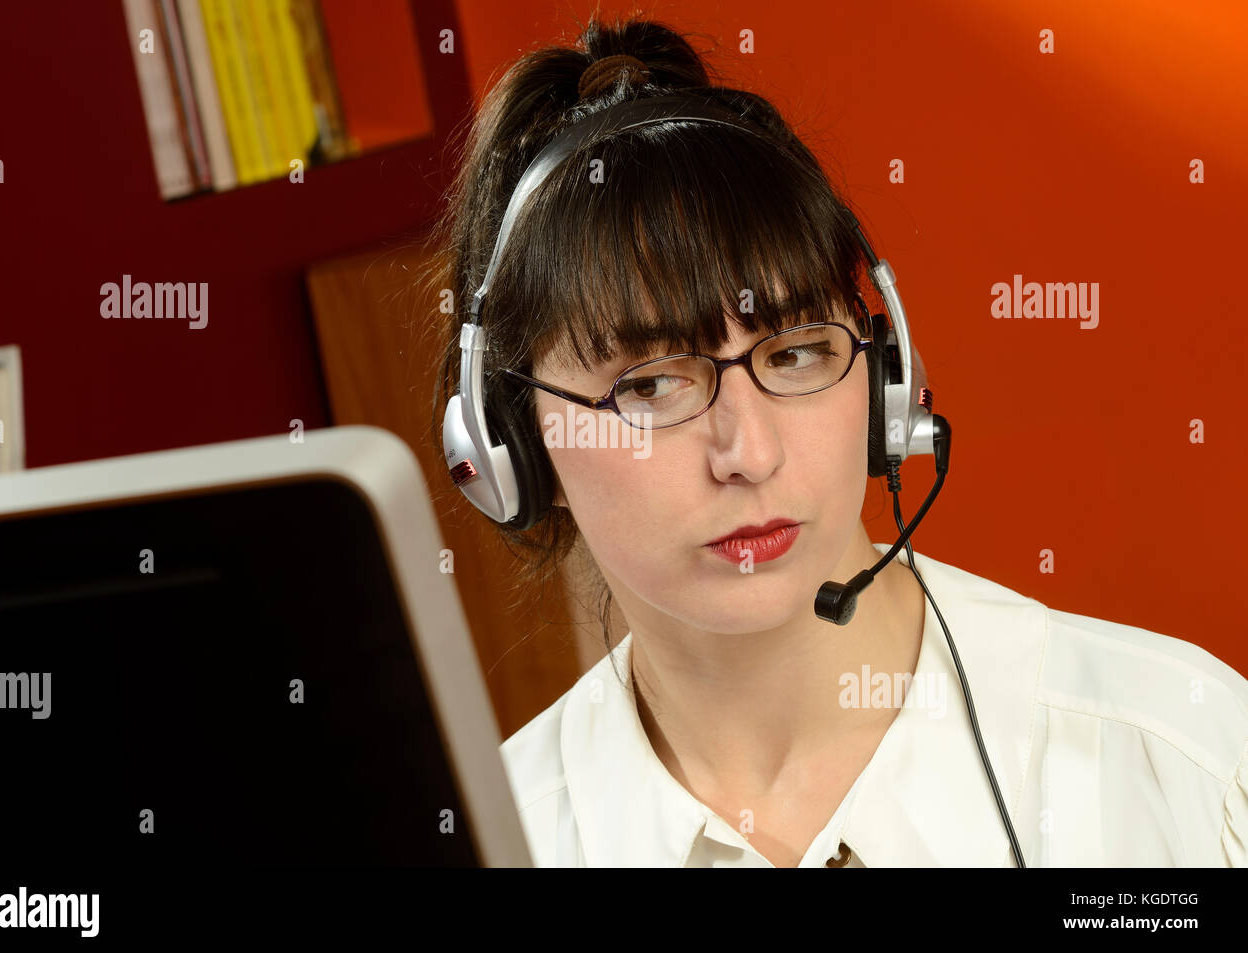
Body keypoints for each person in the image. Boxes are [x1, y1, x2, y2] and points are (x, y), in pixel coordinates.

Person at [426, 15, 1248, 867]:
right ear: (512, 444)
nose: (749, 452)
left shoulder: (1186, 769)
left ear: (884, 382)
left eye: (795, 353)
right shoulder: (497, 842)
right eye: (650, 384)